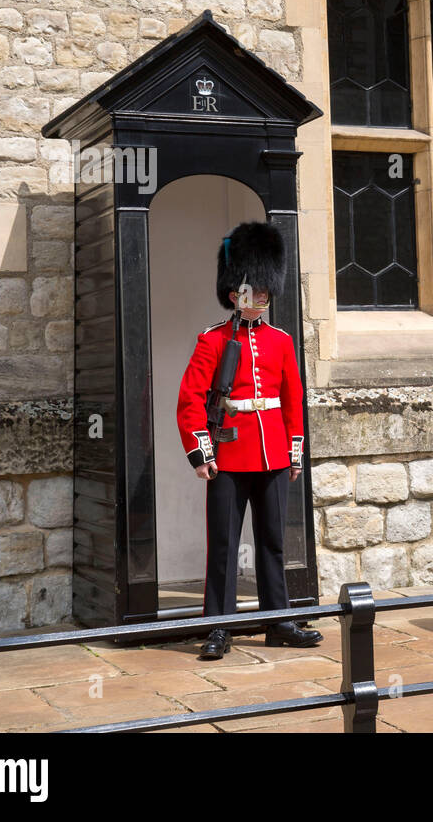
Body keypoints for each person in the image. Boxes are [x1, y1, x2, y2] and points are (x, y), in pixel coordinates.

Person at [176, 221, 323, 660]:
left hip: (273, 454)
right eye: (252, 290)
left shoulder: (280, 341)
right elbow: (189, 400)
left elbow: (292, 401)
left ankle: (279, 621)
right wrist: (201, 452)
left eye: (264, 290)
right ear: (233, 291)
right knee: (223, 544)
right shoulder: (213, 339)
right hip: (228, 456)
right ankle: (217, 627)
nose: (260, 298)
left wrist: (294, 452)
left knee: (273, 541)